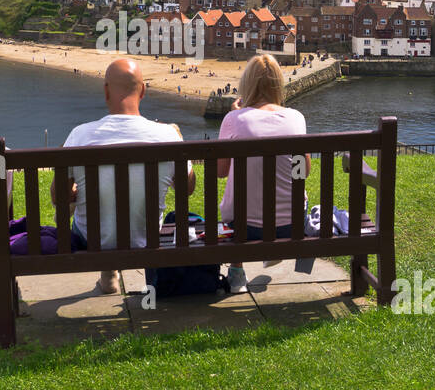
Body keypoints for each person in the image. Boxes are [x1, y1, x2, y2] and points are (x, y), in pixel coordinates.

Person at [55, 57, 194, 294]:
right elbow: (186, 188)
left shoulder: (80, 135)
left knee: (75, 206)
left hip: (93, 241)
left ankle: (109, 273)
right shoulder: (167, 135)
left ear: (106, 92)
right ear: (143, 91)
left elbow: (58, 198)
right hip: (147, 238)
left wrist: (74, 191)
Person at [217, 55, 311, 294]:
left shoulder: (233, 119)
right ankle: (281, 252)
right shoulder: (296, 118)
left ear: (247, 84)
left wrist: (237, 116)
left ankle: (236, 274)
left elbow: (220, 171)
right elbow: (303, 171)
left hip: (243, 228)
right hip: (291, 225)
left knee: (238, 204)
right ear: (278, 85)